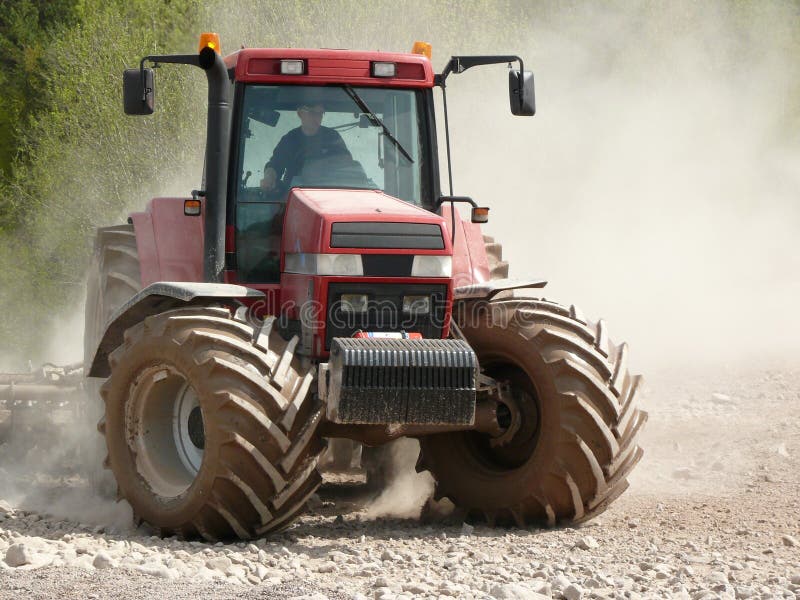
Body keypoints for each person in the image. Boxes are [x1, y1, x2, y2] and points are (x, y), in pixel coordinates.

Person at [260, 101, 351, 191]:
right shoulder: (290, 139)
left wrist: (322, 165)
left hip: (327, 193)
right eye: (312, 113)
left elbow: (346, 162)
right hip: (293, 197)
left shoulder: (332, 137)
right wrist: (269, 177)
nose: (317, 117)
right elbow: (276, 164)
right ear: (300, 113)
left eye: (320, 113)